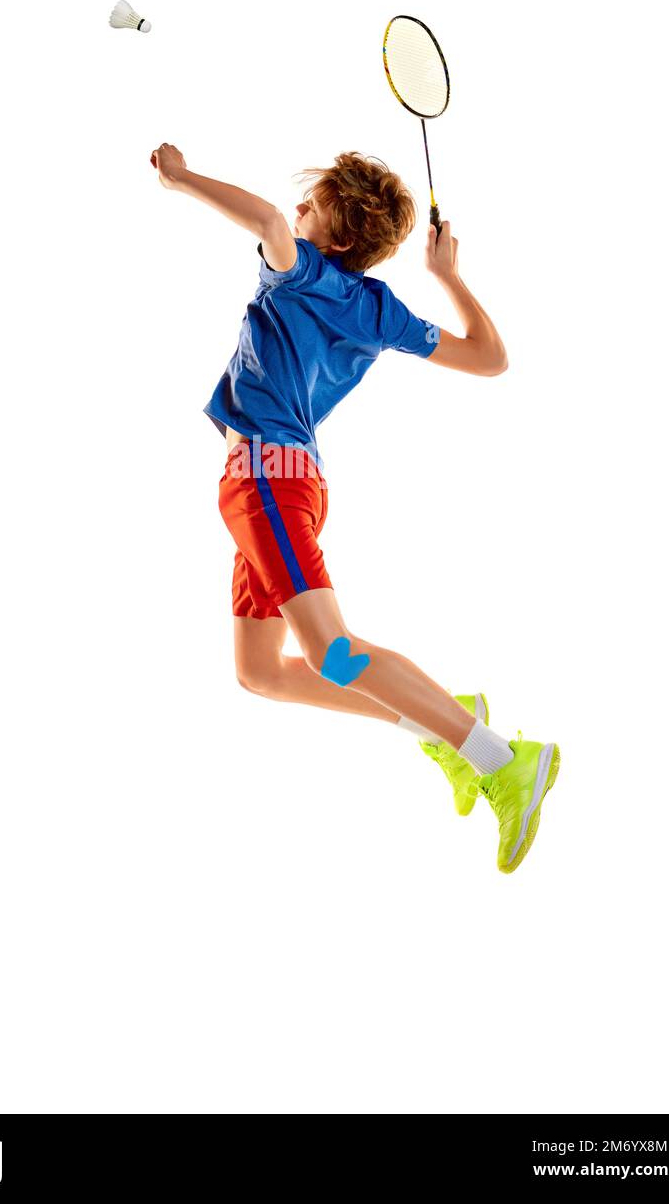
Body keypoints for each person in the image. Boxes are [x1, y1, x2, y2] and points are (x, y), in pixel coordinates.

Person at [149, 143, 559, 872]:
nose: (297, 210)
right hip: (285, 483)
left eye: (313, 205)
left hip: (267, 482)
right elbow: (488, 357)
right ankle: (445, 718)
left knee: (332, 652)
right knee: (261, 672)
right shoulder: (379, 309)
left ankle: (499, 757)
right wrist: (448, 277)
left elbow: (270, 218)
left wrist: (180, 179)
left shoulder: (298, 272)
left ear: (333, 239)